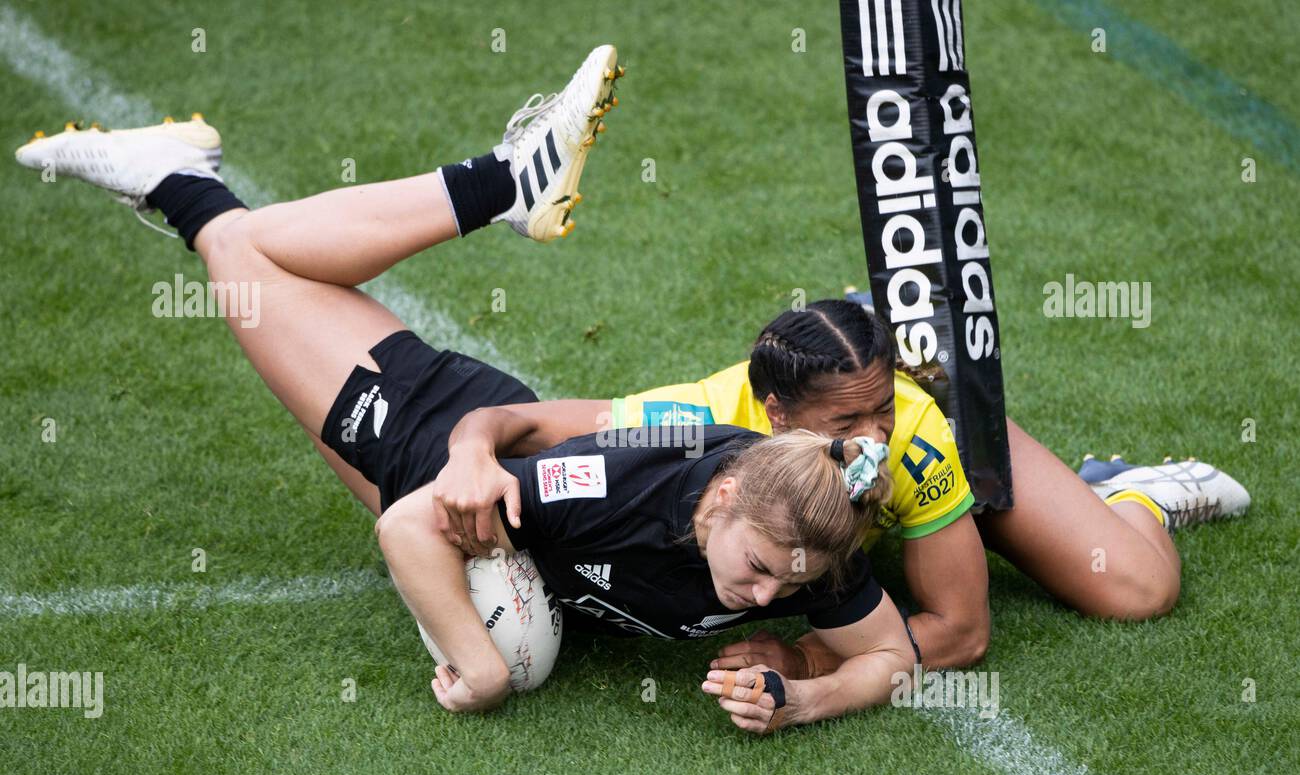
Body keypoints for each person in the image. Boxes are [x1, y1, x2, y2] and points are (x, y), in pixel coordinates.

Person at [15, 45, 919, 734]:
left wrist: (804, 696)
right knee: (242, 265)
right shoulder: (621, 490)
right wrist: (480, 669)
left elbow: (892, 656)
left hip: (468, 431)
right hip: (415, 433)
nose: (762, 600)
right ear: (719, 498)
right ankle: (495, 183)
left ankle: (180, 177)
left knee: (245, 251)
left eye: (784, 582)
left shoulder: (814, 530)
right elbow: (410, 523)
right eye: (759, 571)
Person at [433, 303, 1250, 672]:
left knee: (1137, 587)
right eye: (849, 423)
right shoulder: (706, 419)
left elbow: (962, 632)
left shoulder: (915, 440)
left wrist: (807, 658)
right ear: (776, 413)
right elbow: (535, 425)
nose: (874, 441)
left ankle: (1132, 491)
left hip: (961, 441)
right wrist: (472, 443)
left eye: (881, 412)